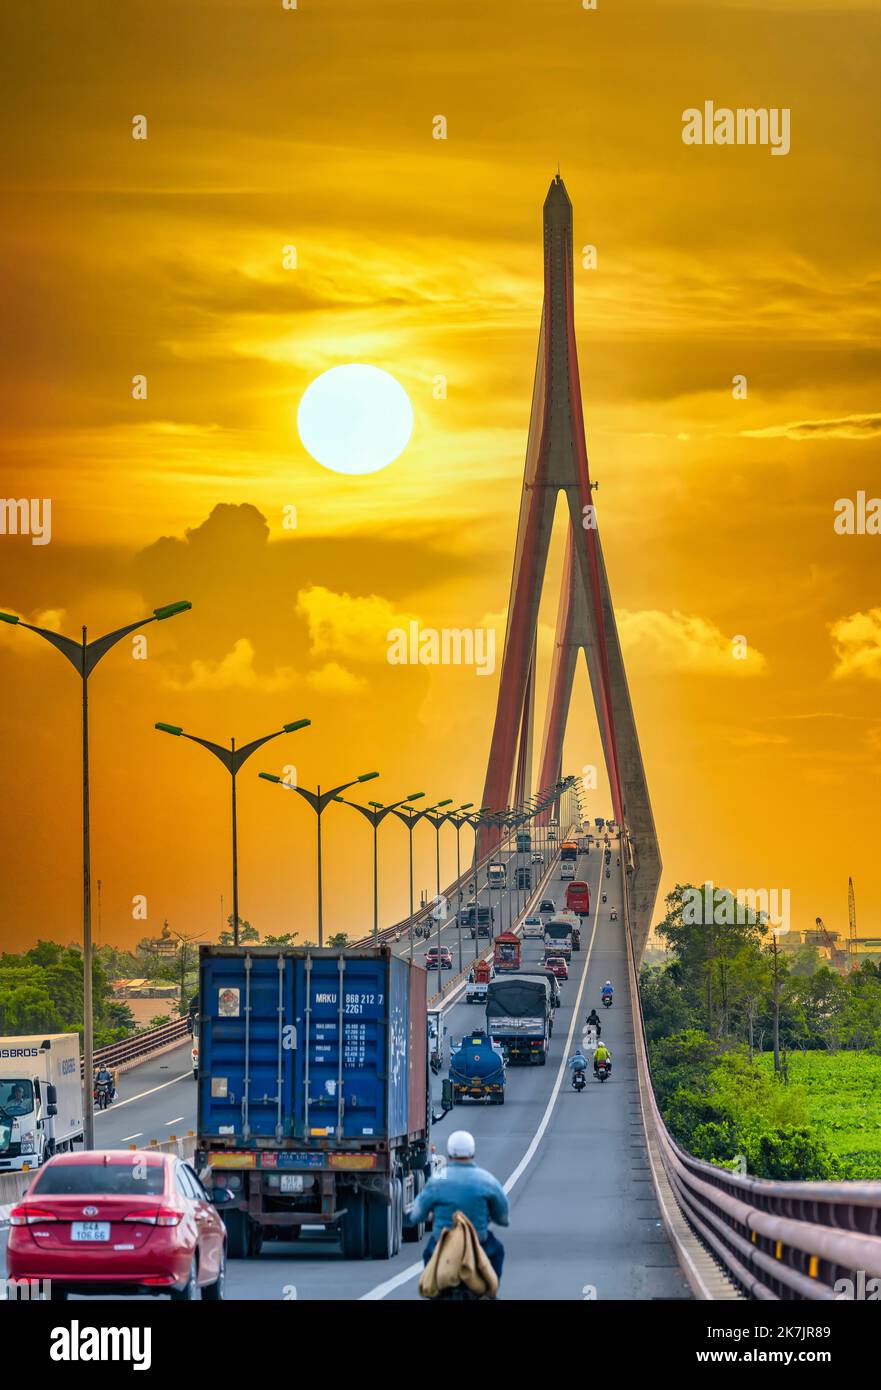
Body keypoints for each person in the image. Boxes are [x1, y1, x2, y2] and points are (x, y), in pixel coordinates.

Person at [405, 1130, 509, 1285]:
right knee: (497, 1251)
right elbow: (502, 1217)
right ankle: (490, 1291)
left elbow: (417, 1215)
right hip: (478, 1242)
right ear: (472, 1152)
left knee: (429, 1255)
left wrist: (415, 1215)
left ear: (449, 1153)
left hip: (443, 1241)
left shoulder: (437, 1181)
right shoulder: (486, 1180)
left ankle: (433, 1288)